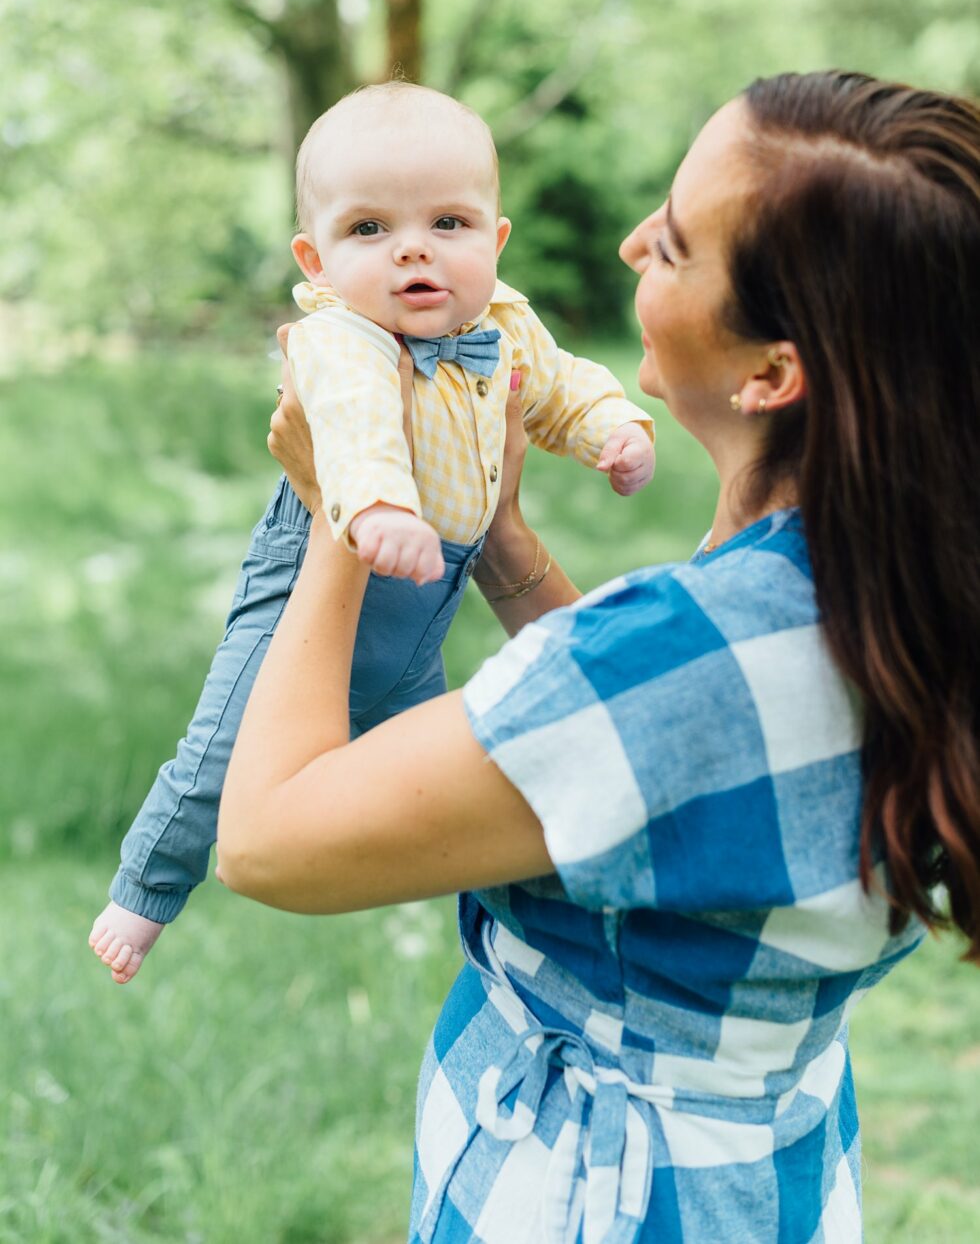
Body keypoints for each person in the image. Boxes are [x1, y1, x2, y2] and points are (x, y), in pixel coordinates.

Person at [217, 70, 980, 1244]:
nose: (631, 245)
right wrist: (505, 545)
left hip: (594, 1197)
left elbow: (270, 841)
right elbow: (668, 754)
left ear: (773, 371)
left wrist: (335, 503)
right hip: (761, 1161)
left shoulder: (686, 652)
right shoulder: (886, 575)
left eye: (673, 245)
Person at [88, 82, 654, 984]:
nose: (413, 251)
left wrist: (614, 433)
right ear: (314, 261)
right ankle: (144, 891)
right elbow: (352, 425)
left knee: (422, 755)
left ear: (495, 239)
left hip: (435, 590)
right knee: (221, 748)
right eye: (369, 231)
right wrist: (378, 511)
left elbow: (559, 385)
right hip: (329, 563)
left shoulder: (501, 322)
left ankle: (456, 884)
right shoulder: (341, 339)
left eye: (449, 223)